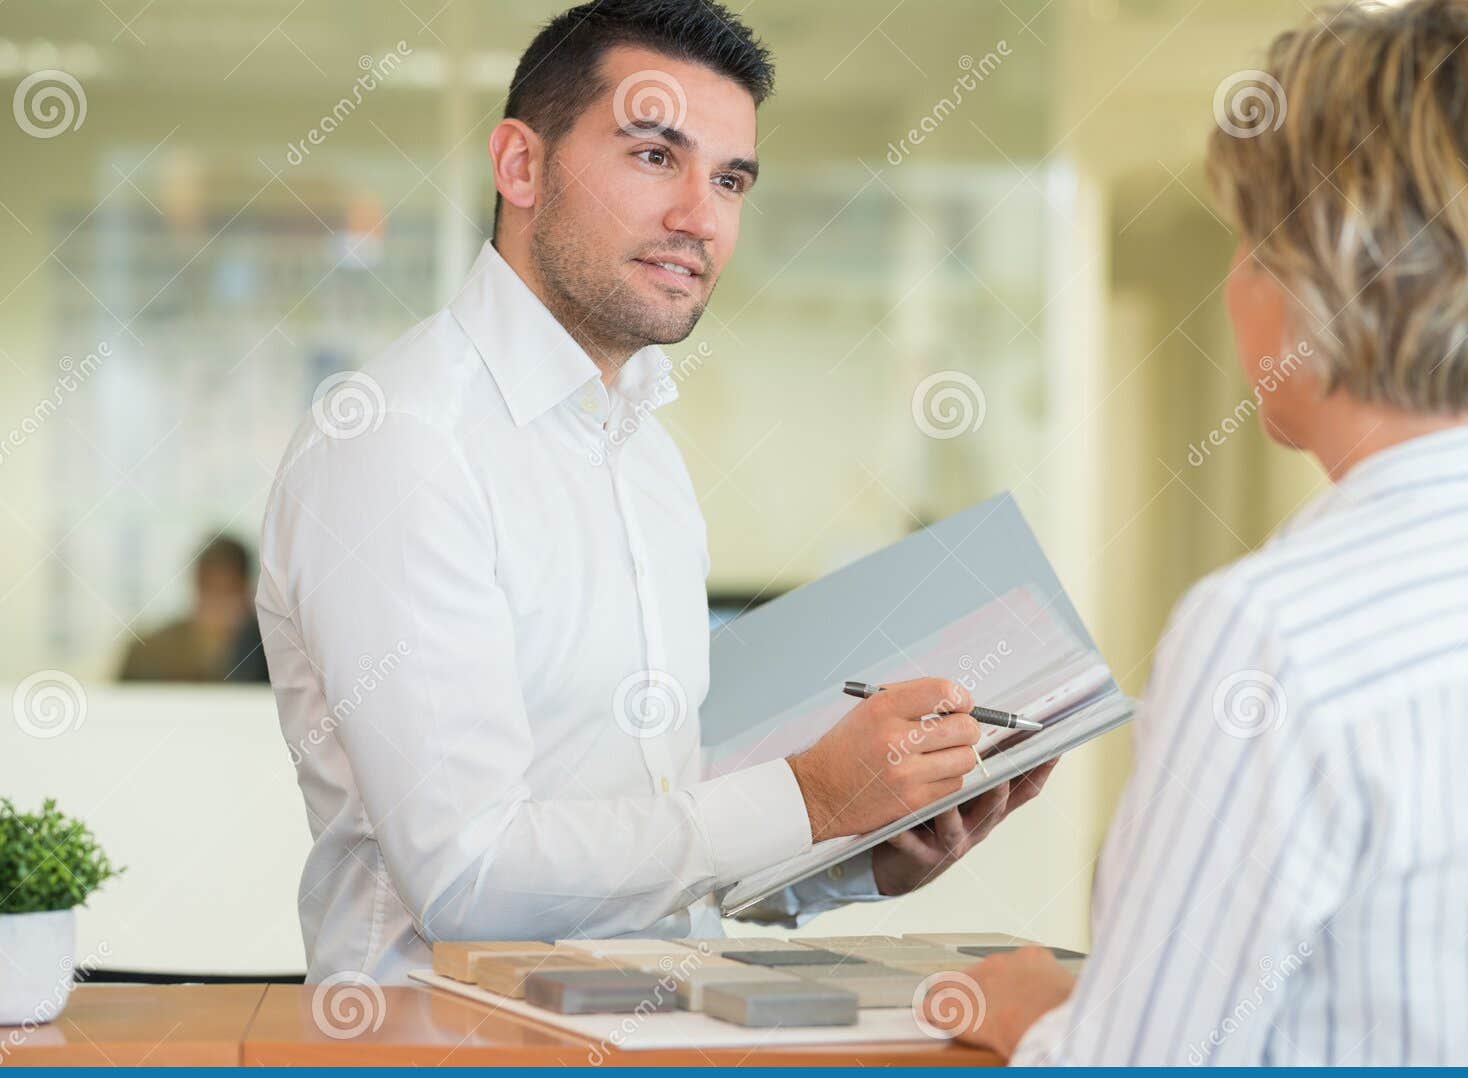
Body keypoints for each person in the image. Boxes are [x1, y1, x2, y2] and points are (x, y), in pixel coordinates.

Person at [257, 0, 1054, 984]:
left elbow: (661, 824)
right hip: (454, 1074)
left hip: (665, 1046)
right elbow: (466, 876)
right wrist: (808, 794)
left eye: (728, 179)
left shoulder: (644, 453)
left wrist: (849, 852)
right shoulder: (398, 440)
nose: (700, 216)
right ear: (520, 165)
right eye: (652, 156)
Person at [952, 0, 1468, 1065]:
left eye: (1248, 241)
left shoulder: (1271, 631)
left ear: (1320, 271)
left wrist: (1034, 1011)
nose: (1232, 283)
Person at [120, 534, 269, 683]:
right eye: (209, 588)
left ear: (246, 592)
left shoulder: (268, 652)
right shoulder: (148, 653)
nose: (217, 604)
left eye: (227, 591)